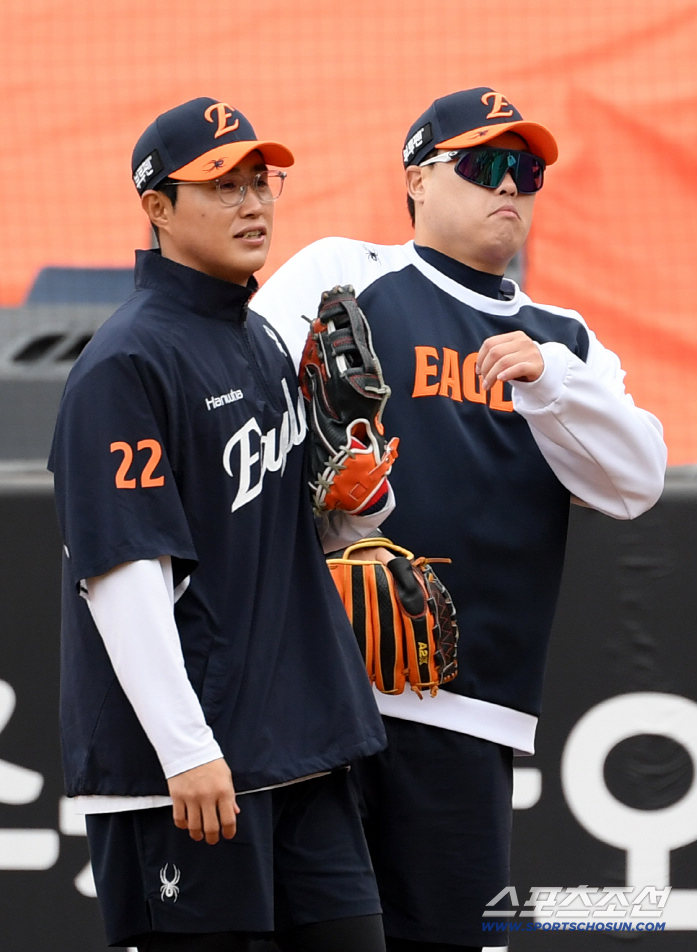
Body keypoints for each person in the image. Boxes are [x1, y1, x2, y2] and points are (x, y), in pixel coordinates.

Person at [249, 87, 667, 951]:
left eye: (526, 170)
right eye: (482, 165)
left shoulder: (569, 340)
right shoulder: (342, 270)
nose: (508, 187)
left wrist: (548, 382)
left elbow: (636, 482)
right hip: (324, 693)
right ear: (416, 180)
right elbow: (234, 417)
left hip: (470, 711)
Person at [48, 97, 393, 952]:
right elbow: (124, 574)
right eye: (221, 186)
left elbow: (285, 534)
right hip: (197, 771)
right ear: (157, 207)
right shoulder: (125, 364)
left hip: (301, 747)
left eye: (259, 181)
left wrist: (353, 503)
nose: (253, 204)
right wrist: (185, 750)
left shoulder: (263, 341)